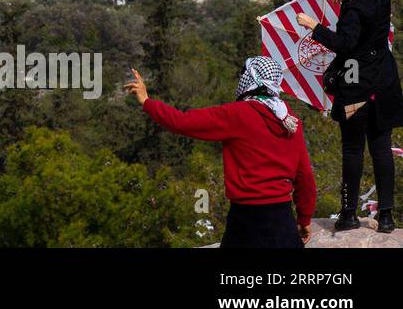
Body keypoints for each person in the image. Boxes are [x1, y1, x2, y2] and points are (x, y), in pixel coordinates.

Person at [124, 58, 315, 248]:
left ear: (251, 78)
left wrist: (147, 101)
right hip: (283, 218)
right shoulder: (290, 120)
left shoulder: (237, 114)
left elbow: (181, 122)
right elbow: (304, 177)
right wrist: (305, 218)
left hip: (246, 220)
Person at [296, 0, 403, 232]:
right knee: (381, 149)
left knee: (352, 150)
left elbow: (345, 43)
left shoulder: (353, 11)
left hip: (356, 83)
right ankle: (386, 216)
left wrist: (314, 27)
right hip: (384, 81)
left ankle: (348, 213)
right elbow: (368, 13)